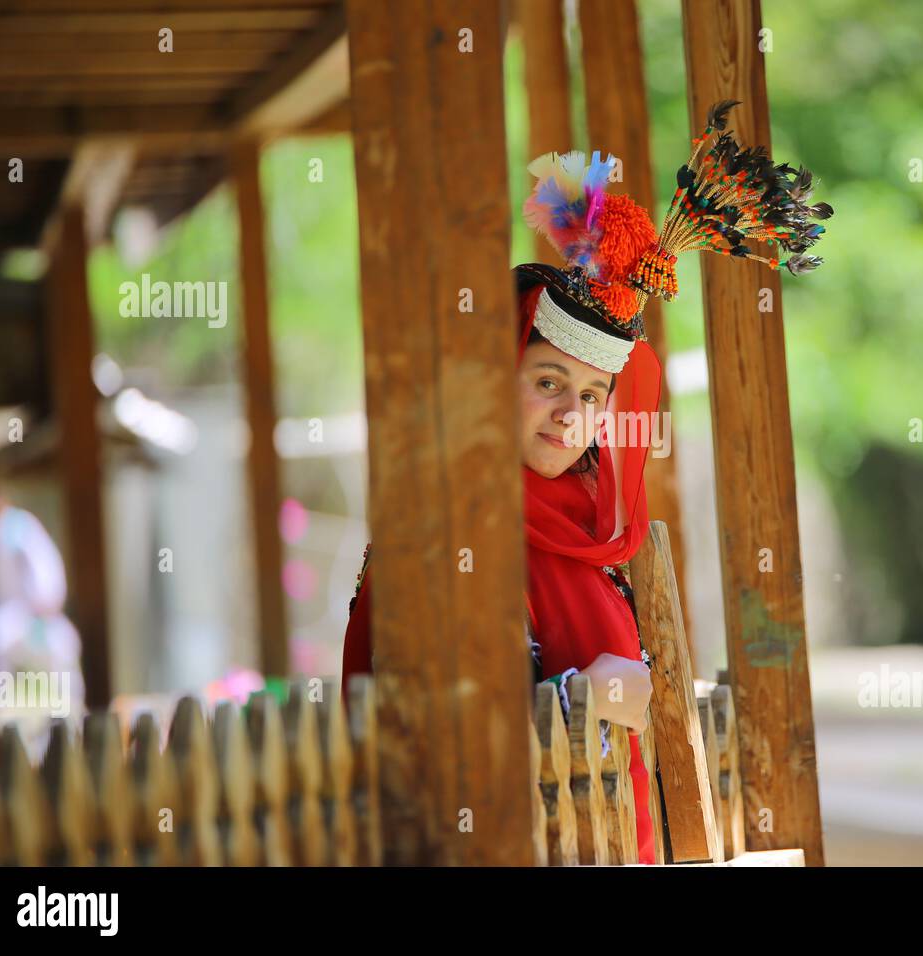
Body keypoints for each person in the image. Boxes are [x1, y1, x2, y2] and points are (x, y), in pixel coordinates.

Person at [341, 101, 831, 864]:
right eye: (547, 380)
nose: (571, 413)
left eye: (593, 395)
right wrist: (581, 700)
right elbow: (419, 739)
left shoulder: (602, 539)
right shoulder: (442, 533)